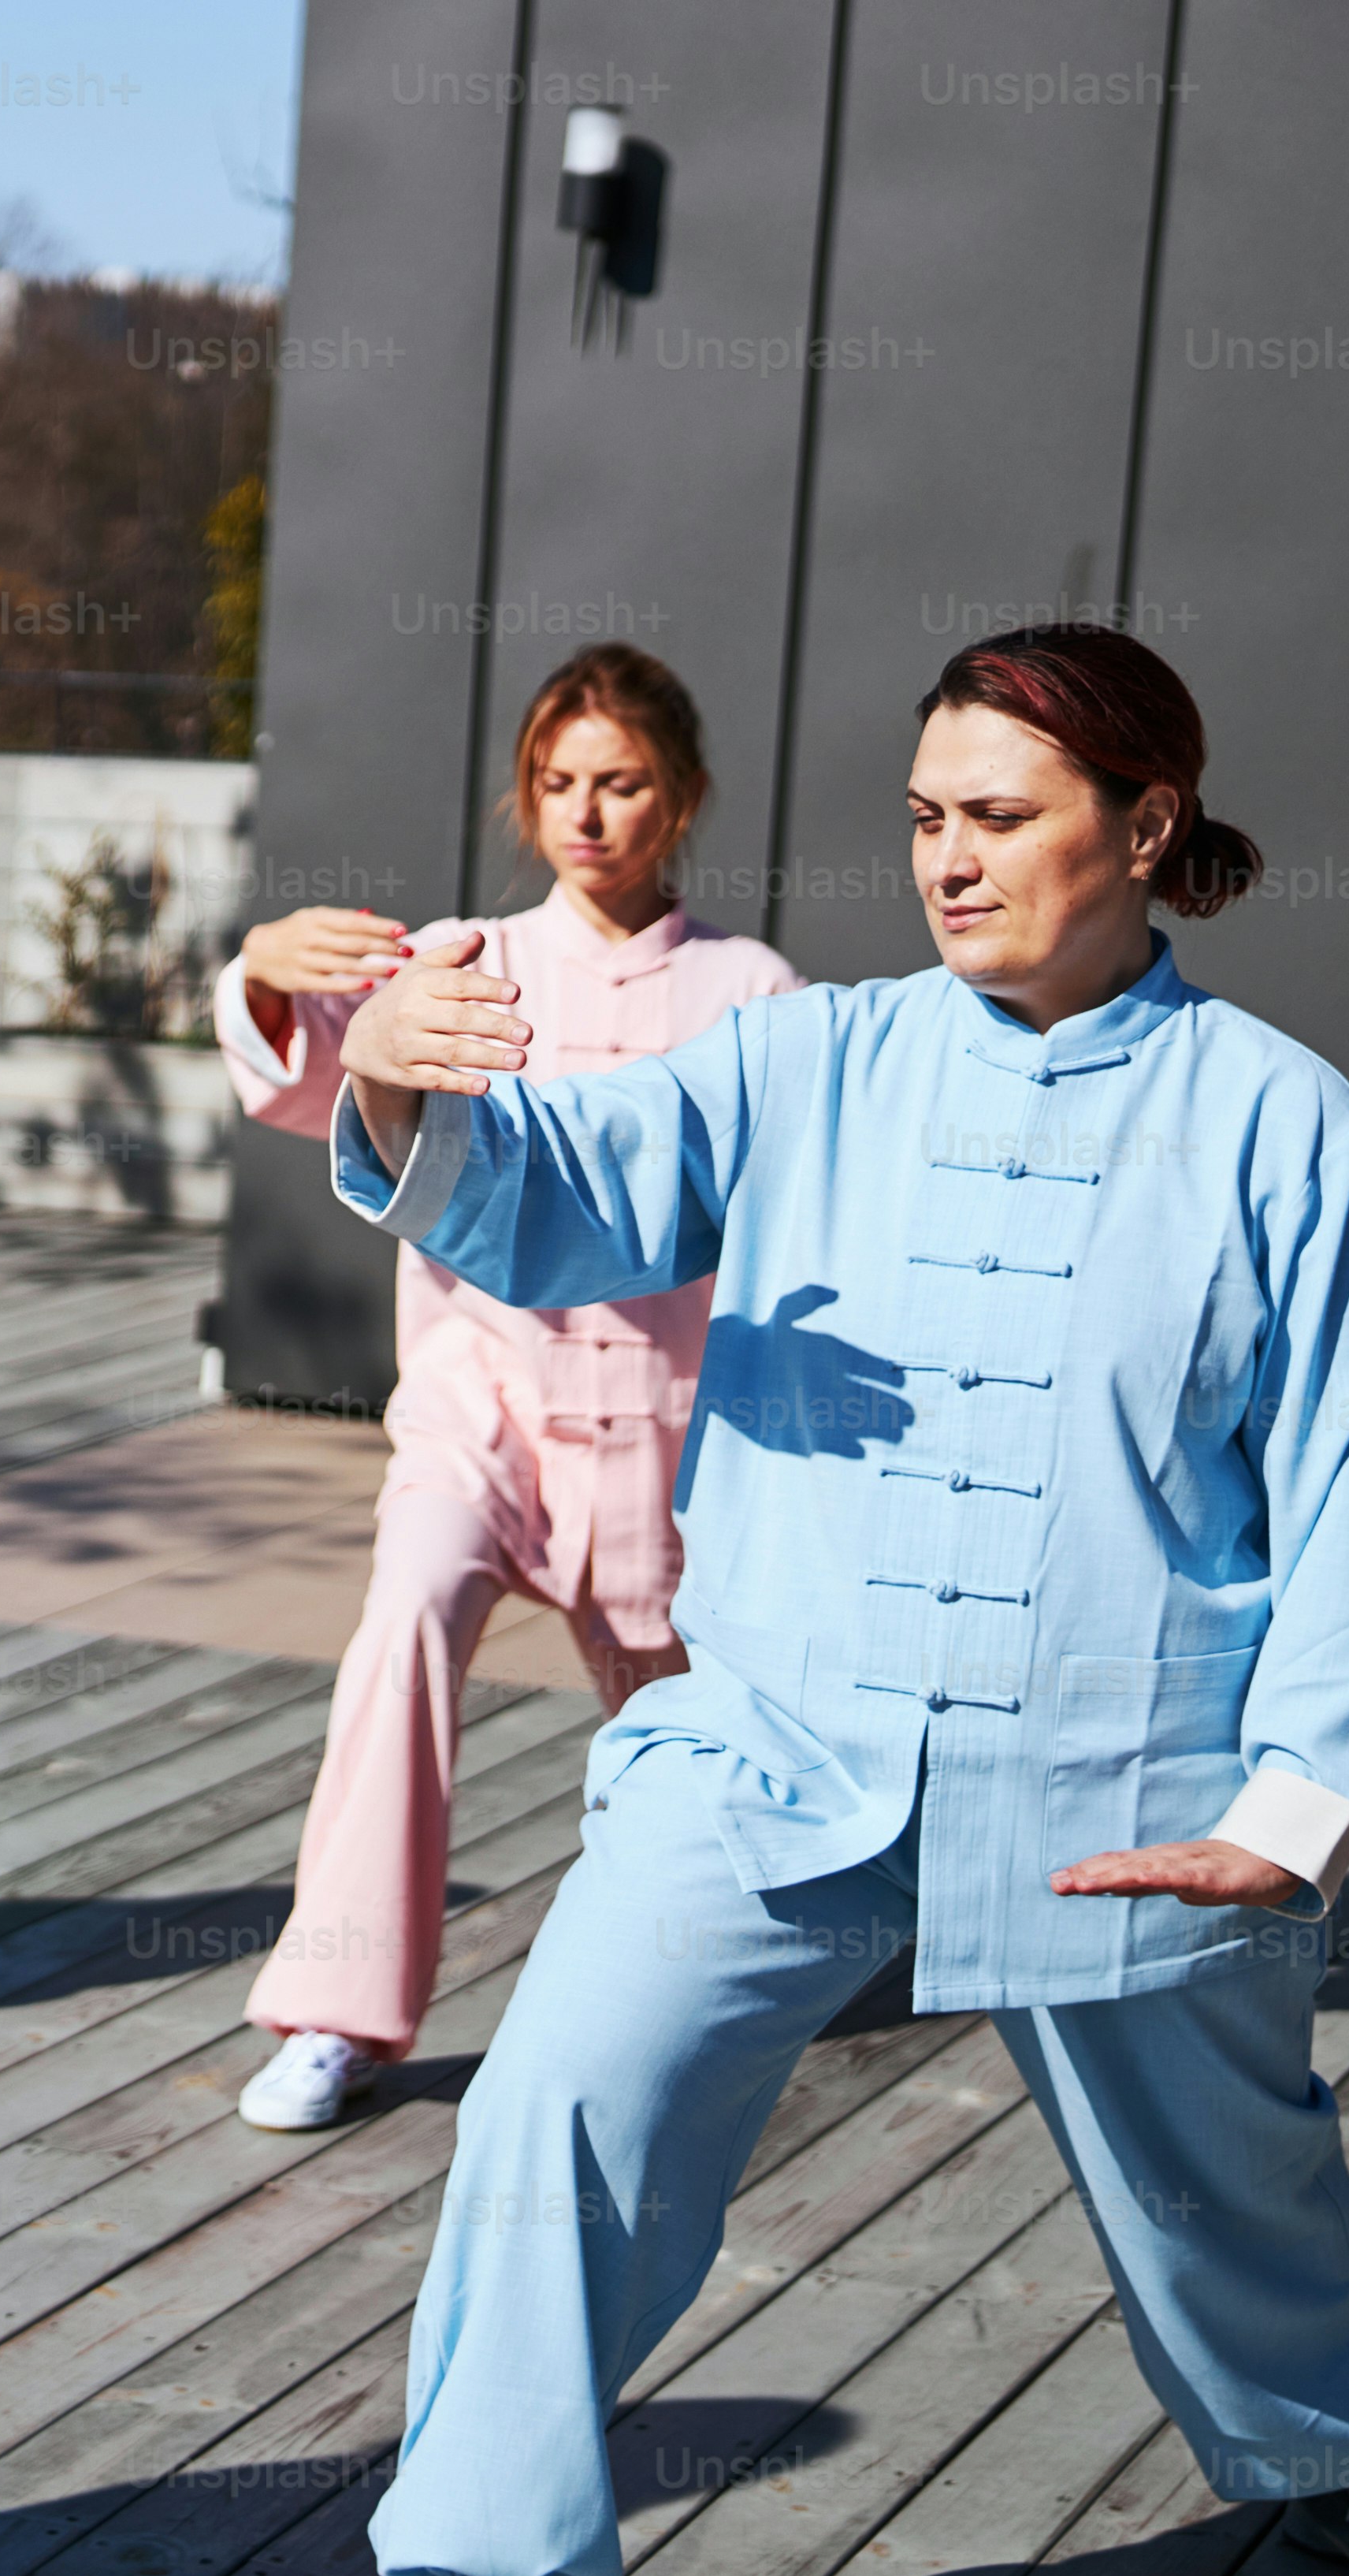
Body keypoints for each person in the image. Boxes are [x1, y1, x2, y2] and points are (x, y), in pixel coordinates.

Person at [292, 620, 1349, 2576]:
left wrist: (1300, 1798)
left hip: (1121, 1765)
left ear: (1142, 825)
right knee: (559, 2102)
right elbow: (550, 1203)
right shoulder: (806, 1059)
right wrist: (387, 1077)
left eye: (1001, 818)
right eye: (927, 817)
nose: (948, 860)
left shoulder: (1281, 1123)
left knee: (1231, 2172)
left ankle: (1343, 2459)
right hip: (772, 1742)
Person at [219, 646, 801, 2134]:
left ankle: (688, 2002)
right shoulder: (462, 956)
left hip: (669, 1445)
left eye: (620, 783)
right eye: (558, 784)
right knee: (407, 1615)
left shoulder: (753, 991)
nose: (587, 815)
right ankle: (339, 2012)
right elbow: (319, 1089)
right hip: (480, 1413)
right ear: (524, 798)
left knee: (678, 1750)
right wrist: (264, 975)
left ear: (680, 798)